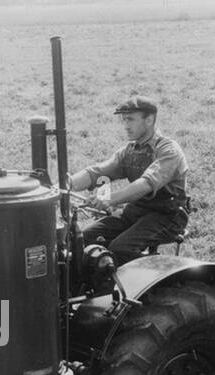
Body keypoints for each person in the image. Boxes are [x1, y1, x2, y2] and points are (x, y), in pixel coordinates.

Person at [67, 95, 191, 264]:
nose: (125, 125)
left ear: (149, 120)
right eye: (123, 120)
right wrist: (67, 185)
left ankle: (148, 283)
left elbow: (146, 184)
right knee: (81, 238)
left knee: (120, 249)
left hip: (167, 216)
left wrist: (109, 199)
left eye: (131, 120)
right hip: (136, 211)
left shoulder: (168, 150)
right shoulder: (129, 151)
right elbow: (97, 172)